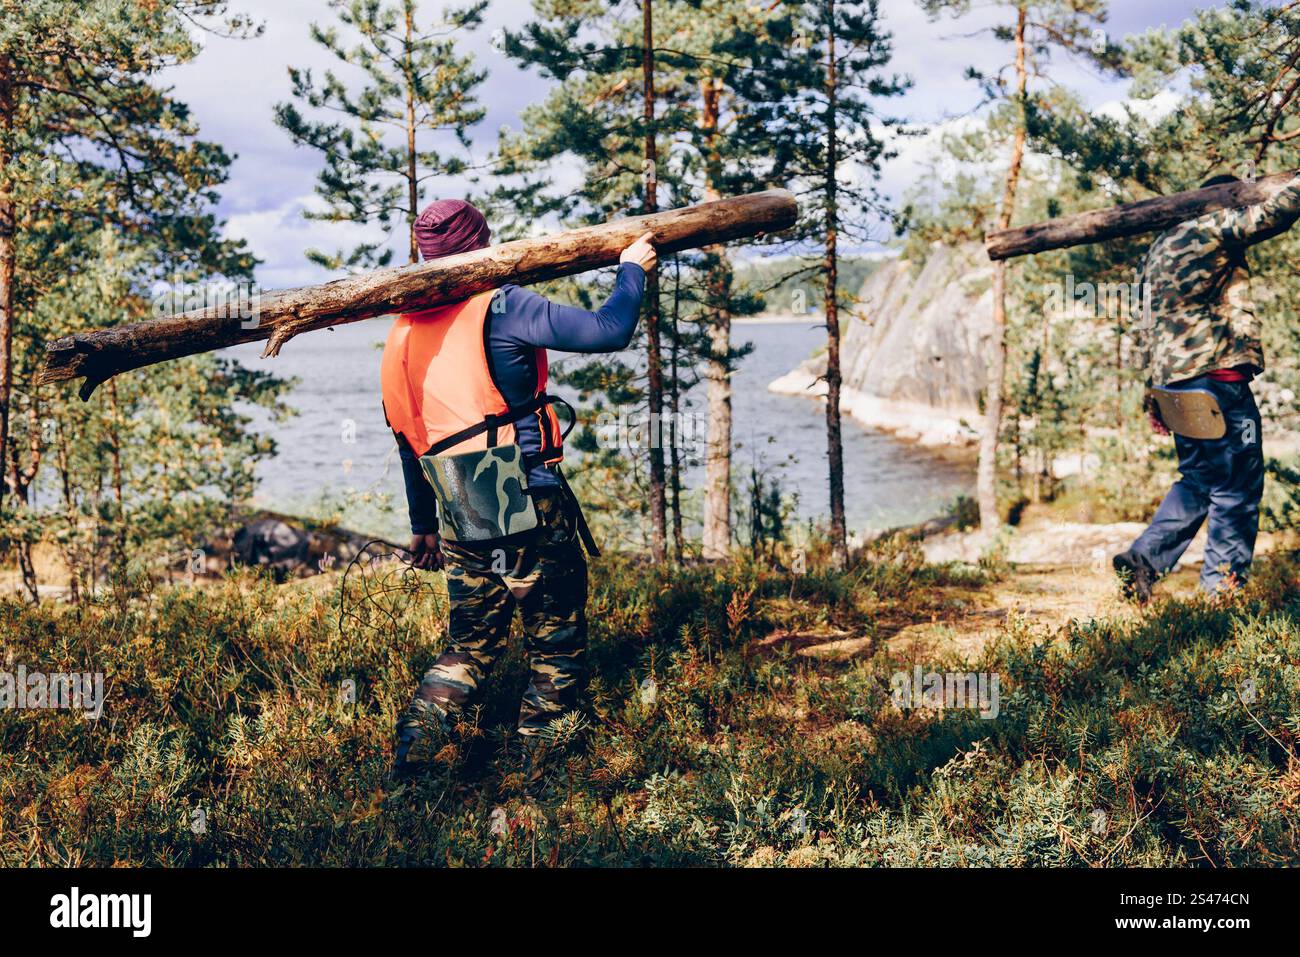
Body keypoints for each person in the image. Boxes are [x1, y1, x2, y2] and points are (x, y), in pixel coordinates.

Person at [384, 198, 656, 774]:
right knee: (554, 640)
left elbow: (410, 438)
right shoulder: (503, 306)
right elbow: (611, 330)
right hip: (525, 498)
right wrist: (632, 267)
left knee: (469, 646)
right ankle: (543, 777)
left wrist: (423, 526)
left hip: (460, 505)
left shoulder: (403, 333)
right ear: (482, 246)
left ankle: (410, 765)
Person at [1113, 171, 1300, 602]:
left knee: (1199, 479)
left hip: (1175, 384)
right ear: (1226, 201)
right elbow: (1275, 213)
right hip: (1217, 380)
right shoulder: (1212, 226)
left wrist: (1154, 395)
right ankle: (1223, 593)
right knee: (1237, 487)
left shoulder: (1160, 245)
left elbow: (1149, 325)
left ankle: (1143, 560)